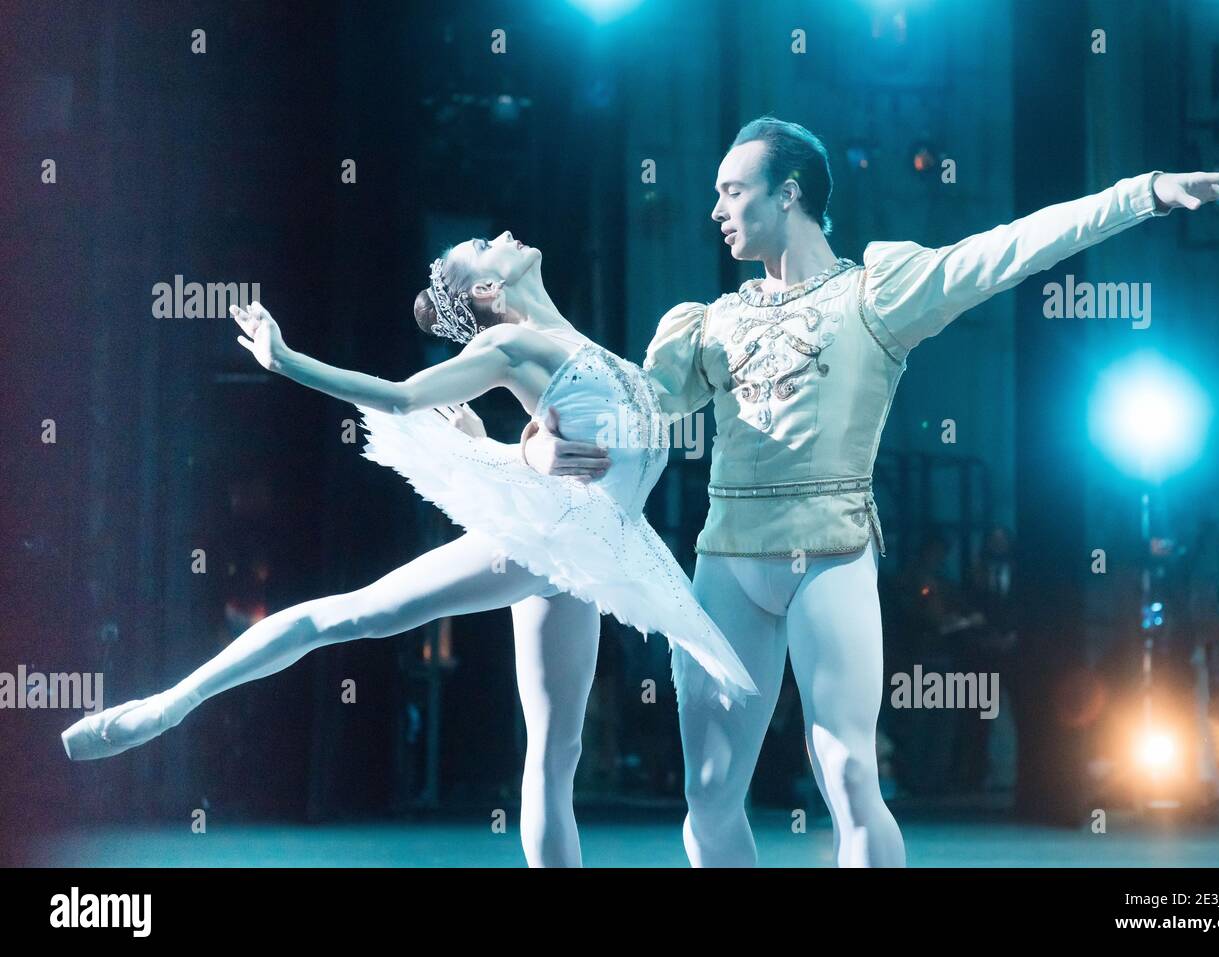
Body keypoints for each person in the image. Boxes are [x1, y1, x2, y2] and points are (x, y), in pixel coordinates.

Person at [520, 116, 1219, 866]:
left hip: (829, 554)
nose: (715, 208)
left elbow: (1010, 248)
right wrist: (542, 433)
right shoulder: (709, 322)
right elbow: (630, 409)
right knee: (709, 793)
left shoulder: (878, 294)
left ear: (789, 194)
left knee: (847, 771)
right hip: (726, 558)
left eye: (732, 190)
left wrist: (1150, 192)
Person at [60, 231, 757, 867]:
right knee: (351, 614)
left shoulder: (584, 345)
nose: (504, 235)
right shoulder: (504, 347)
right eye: (486, 244)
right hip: (551, 537)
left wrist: (511, 444)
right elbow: (399, 397)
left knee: (556, 754)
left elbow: (601, 443)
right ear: (488, 289)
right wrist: (287, 359)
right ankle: (171, 702)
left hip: (592, 549)